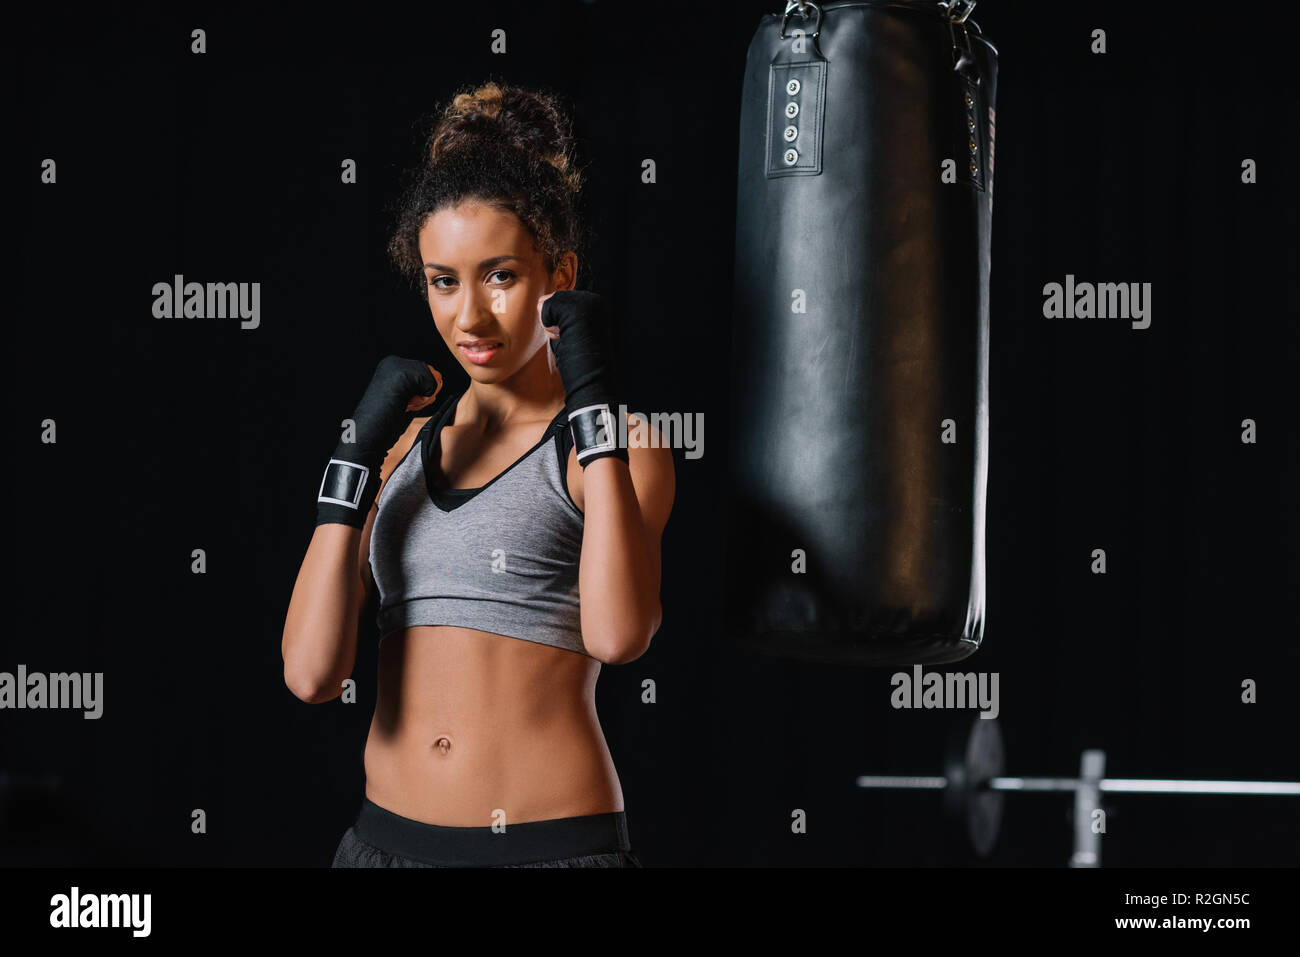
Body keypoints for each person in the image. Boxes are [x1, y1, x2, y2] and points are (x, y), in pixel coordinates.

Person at [281, 81, 674, 867]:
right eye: (443, 280)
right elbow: (312, 672)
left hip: (549, 849)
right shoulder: (399, 448)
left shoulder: (613, 446)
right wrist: (355, 456)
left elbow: (619, 634)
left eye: (500, 276)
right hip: (381, 844)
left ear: (558, 274)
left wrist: (591, 403)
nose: (470, 317)